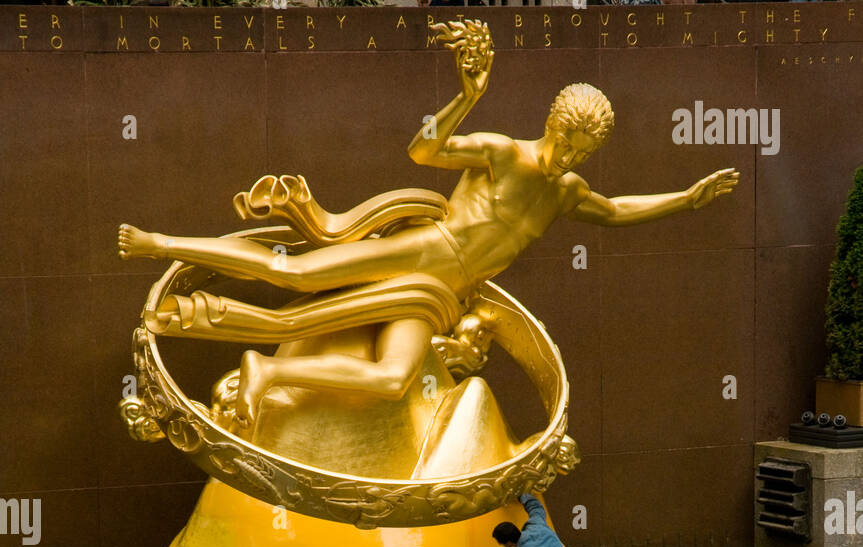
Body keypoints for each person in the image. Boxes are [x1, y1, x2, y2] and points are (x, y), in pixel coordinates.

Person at [118, 20, 738, 429]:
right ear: (553, 123)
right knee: (296, 274)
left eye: (583, 153)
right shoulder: (502, 152)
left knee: (391, 380)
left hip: (442, 297)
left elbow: (617, 210)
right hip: (422, 252)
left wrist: (686, 198)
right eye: (568, 142)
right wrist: (467, 95)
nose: (571, 158)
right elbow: (424, 152)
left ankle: (268, 370)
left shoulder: (566, 193)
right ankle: (161, 242)